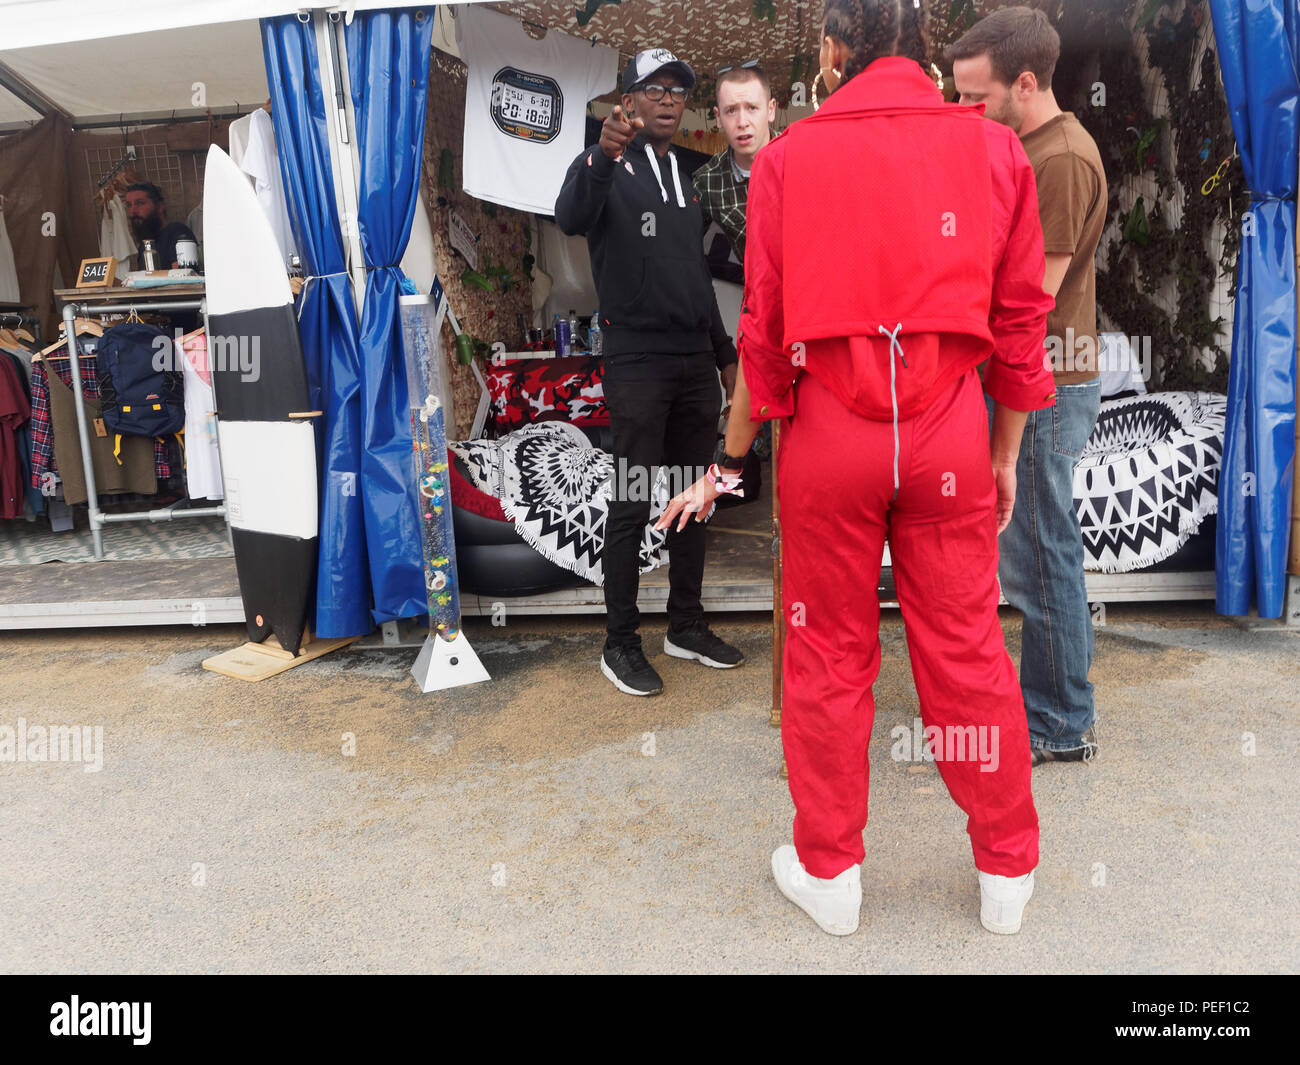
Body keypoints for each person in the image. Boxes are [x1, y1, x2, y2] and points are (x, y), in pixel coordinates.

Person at [658, 0, 1056, 937]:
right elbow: (1020, 326)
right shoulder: (994, 150)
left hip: (832, 434)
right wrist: (1002, 455)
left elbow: (760, 334)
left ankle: (831, 871)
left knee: (829, 650)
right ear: (920, 45)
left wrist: (732, 460)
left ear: (834, 50)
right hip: (950, 431)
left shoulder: (789, 159)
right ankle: (1008, 867)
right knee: (966, 647)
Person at [555, 48, 745, 698]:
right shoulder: (606, 166)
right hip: (636, 363)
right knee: (633, 500)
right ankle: (619, 642)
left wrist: (725, 357)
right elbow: (570, 216)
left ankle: (685, 625)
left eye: (677, 91)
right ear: (628, 100)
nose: (667, 99)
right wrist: (600, 156)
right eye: (653, 89)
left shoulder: (685, 173)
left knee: (696, 497)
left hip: (695, 363)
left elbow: (694, 276)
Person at [949, 6, 1107, 766]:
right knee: (1028, 551)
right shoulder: (1026, 147)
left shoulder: (1062, 159)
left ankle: (1060, 724)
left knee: (1043, 554)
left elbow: (1029, 300)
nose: (964, 111)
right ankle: (1049, 706)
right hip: (1027, 374)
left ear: (1024, 83)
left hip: (1043, 379)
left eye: (975, 99)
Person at [692, 61, 778, 265]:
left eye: (752, 108)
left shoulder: (800, 159)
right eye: (731, 110)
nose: (742, 122)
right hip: (757, 291)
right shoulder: (707, 182)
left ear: (771, 109)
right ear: (718, 117)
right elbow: (684, 249)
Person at [123, 182, 196, 270]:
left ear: (160, 206)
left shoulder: (177, 232)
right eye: (129, 205)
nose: (133, 211)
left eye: (140, 203)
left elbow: (182, 278)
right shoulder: (145, 245)